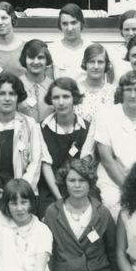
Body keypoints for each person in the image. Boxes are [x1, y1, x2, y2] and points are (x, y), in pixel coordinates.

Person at [42, 158, 117, 271]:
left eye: (82, 180)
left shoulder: (102, 212)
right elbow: (48, 255)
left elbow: (112, 250)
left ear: (90, 183)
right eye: (72, 180)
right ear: (64, 182)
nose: (77, 185)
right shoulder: (52, 212)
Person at [93, 70, 136, 217]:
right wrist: (129, 189)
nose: (133, 95)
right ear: (121, 92)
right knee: (119, 211)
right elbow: (107, 159)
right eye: (128, 89)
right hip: (113, 183)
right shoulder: (106, 116)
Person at [0, 72, 43, 212]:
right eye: (2, 93)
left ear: (18, 96)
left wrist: (21, 189)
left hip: (24, 192)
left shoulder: (30, 124)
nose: (7, 98)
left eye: (12, 94)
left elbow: (36, 161)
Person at [37, 77, 90, 216]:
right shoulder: (41, 128)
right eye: (56, 97)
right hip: (51, 189)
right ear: (50, 100)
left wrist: (74, 198)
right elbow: (46, 166)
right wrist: (60, 199)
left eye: (66, 97)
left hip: (80, 186)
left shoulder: (87, 128)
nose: (61, 102)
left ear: (75, 98)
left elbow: (85, 166)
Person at [74, 43, 117, 126]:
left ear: (106, 64)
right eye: (91, 62)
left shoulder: (114, 92)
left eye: (100, 62)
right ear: (85, 63)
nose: (96, 66)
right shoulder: (74, 91)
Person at [48, 3, 88, 83]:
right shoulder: (51, 49)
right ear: (60, 25)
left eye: (74, 23)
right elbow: (48, 83)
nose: (69, 28)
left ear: (81, 23)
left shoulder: (91, 48)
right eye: (65, 24)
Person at [18, 38, 54, 122]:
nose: (36, 62)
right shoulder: (16, 85)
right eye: (31, 57)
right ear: (24, 59)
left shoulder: (54, 87)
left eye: (40, 57)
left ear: (47, 60)